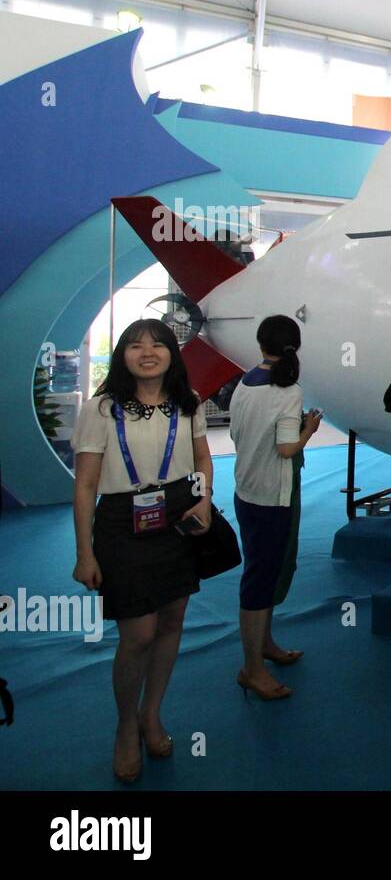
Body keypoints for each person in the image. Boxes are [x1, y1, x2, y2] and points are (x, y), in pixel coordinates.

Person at [71, 319, 214, 783]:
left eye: (158, 344)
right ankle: (125, 726)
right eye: (136, 345)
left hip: (176, 517)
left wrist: (205, 499)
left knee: (172, 621)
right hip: (121, 522)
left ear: (173, 352)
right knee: (137, 635)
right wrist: (84, 553)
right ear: (123, 355)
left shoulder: (187, 404)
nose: (147, 352)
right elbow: (86, 484)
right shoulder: (101, 409)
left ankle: (152, 714)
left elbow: (203, 458)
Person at [229, 315, 322, 701]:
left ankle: (264, 644)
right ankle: (251, 669)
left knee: (262, 574)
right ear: (295, 346)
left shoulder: (244, 382)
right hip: (272, 498)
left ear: (260, 343)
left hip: (246, 491)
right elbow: (286, 449)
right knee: (260, 579)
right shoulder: (288, 392)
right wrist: (308, 430)